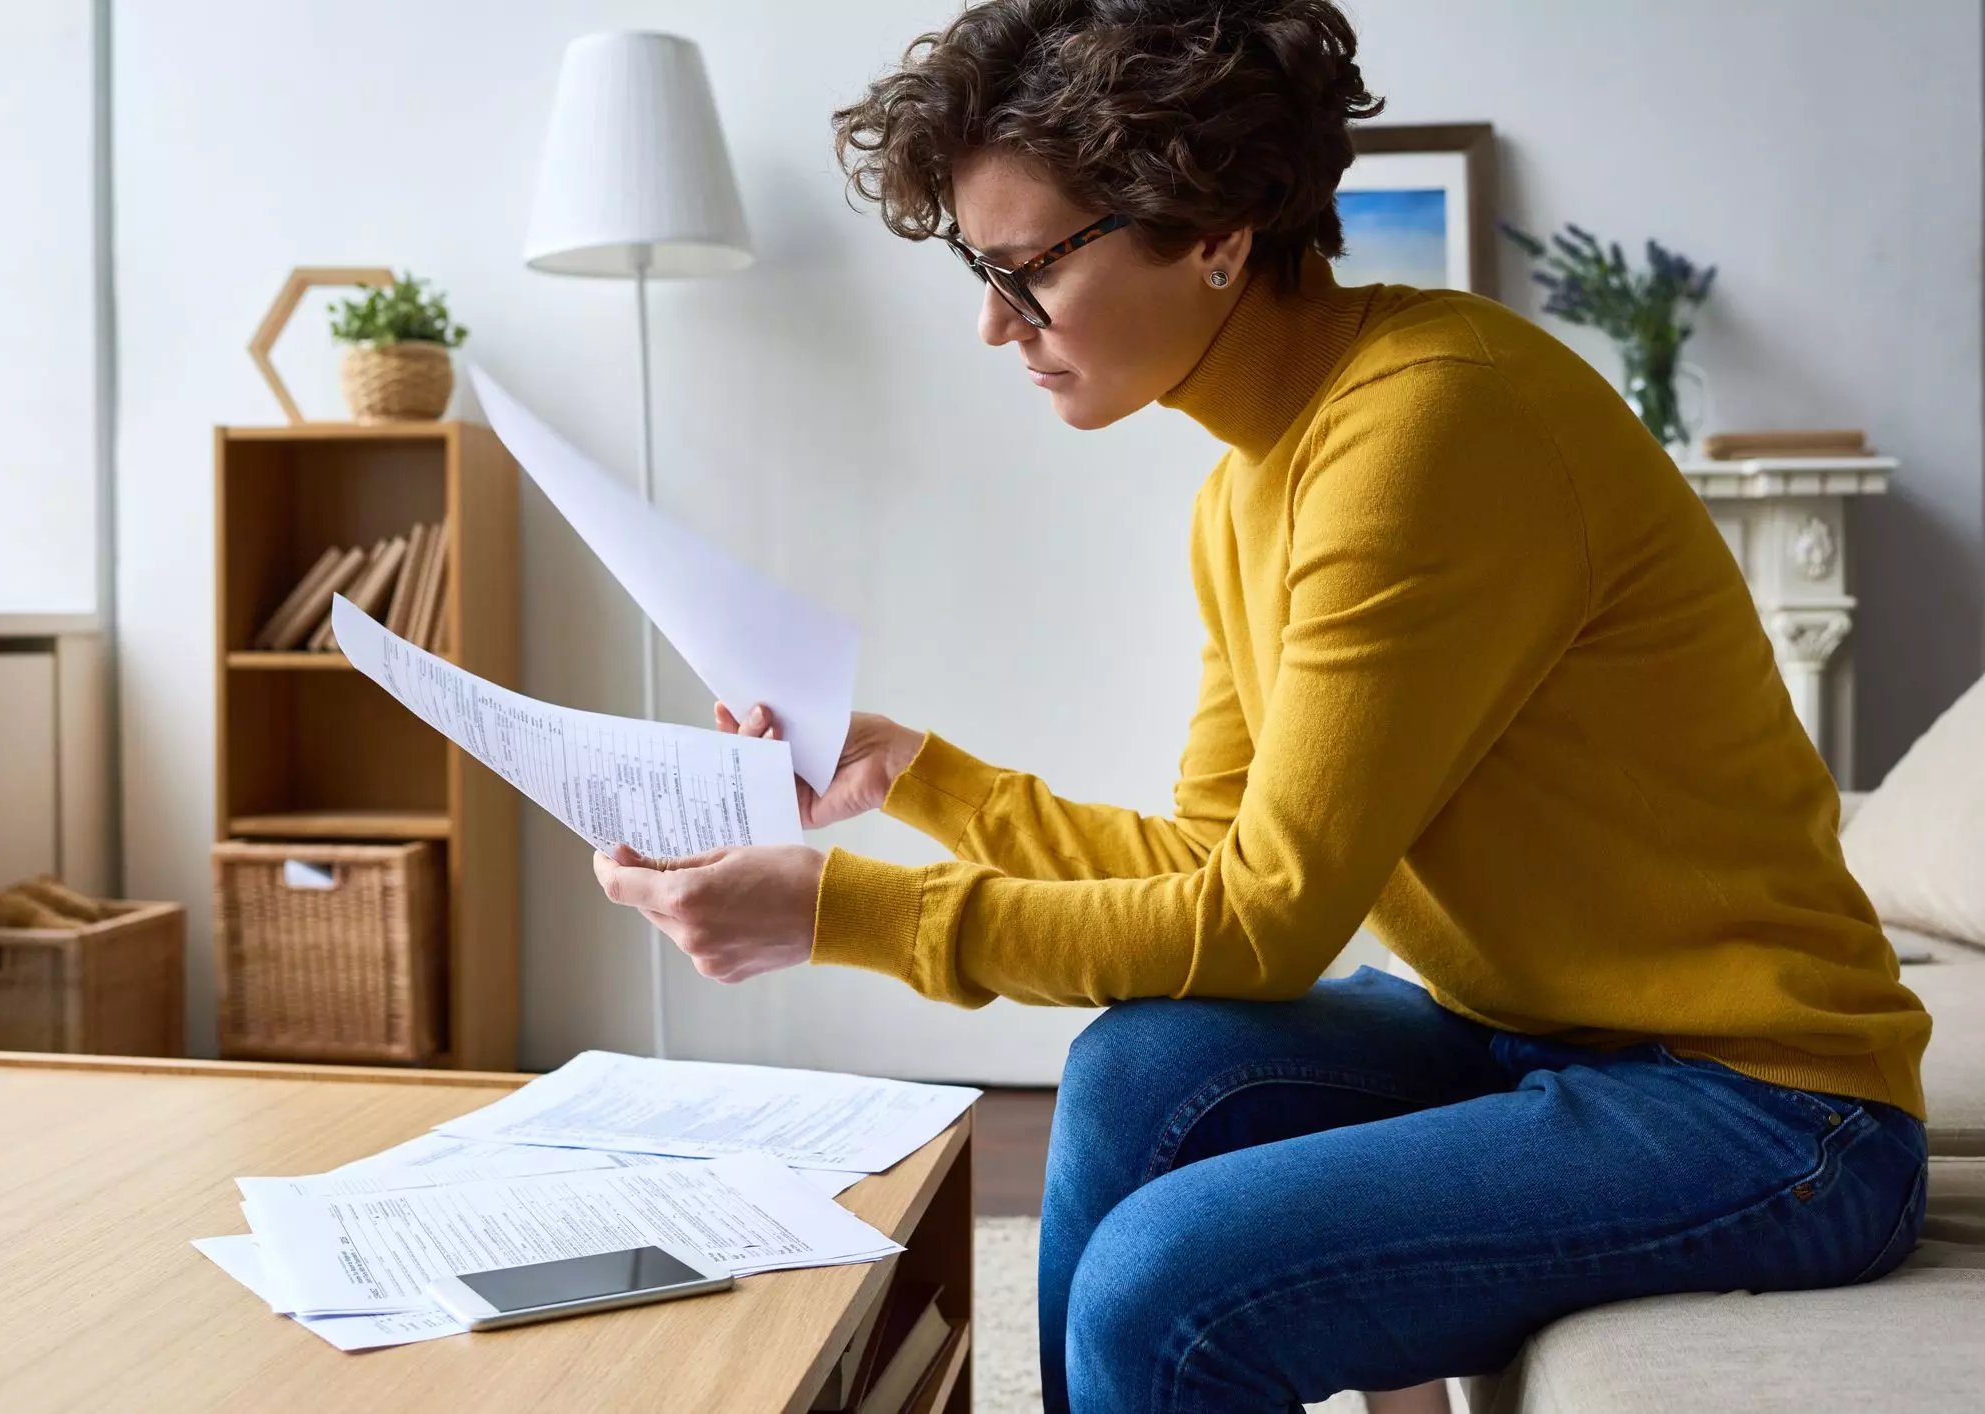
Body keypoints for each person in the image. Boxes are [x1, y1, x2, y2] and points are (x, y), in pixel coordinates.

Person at [592, 2, 1932, 1409]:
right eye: (979, 269)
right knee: (1141, 1066)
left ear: (1215, 233)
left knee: (1165, 1280)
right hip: (1535, 1028)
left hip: (1773, 1108)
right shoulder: (1246, 487)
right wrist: (918, 773)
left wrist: (837, 913)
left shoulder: (1428, 428)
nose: (995, 324)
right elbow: (1210, 867)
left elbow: (1266, 920)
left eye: (1026, 267)